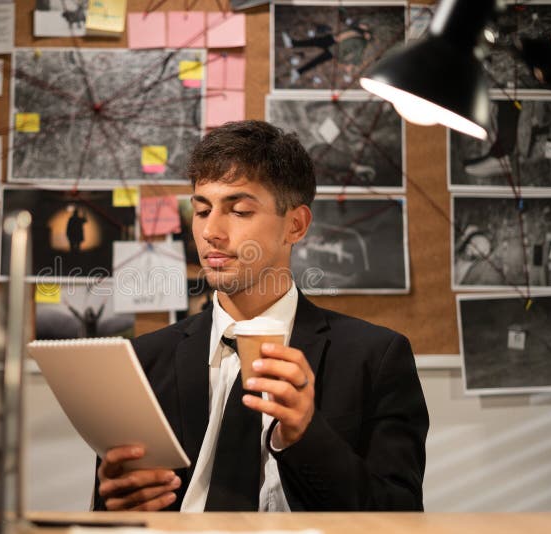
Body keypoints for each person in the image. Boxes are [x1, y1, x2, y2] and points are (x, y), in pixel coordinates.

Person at [93, 120, 428, 511]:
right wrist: (115, 503)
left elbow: (400, 515)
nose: (211, 232)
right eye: (201, 211)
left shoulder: (375, 358)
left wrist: (305, 435)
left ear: (295, 226)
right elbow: (109, 511)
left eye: (239, 211)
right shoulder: (145, 361)